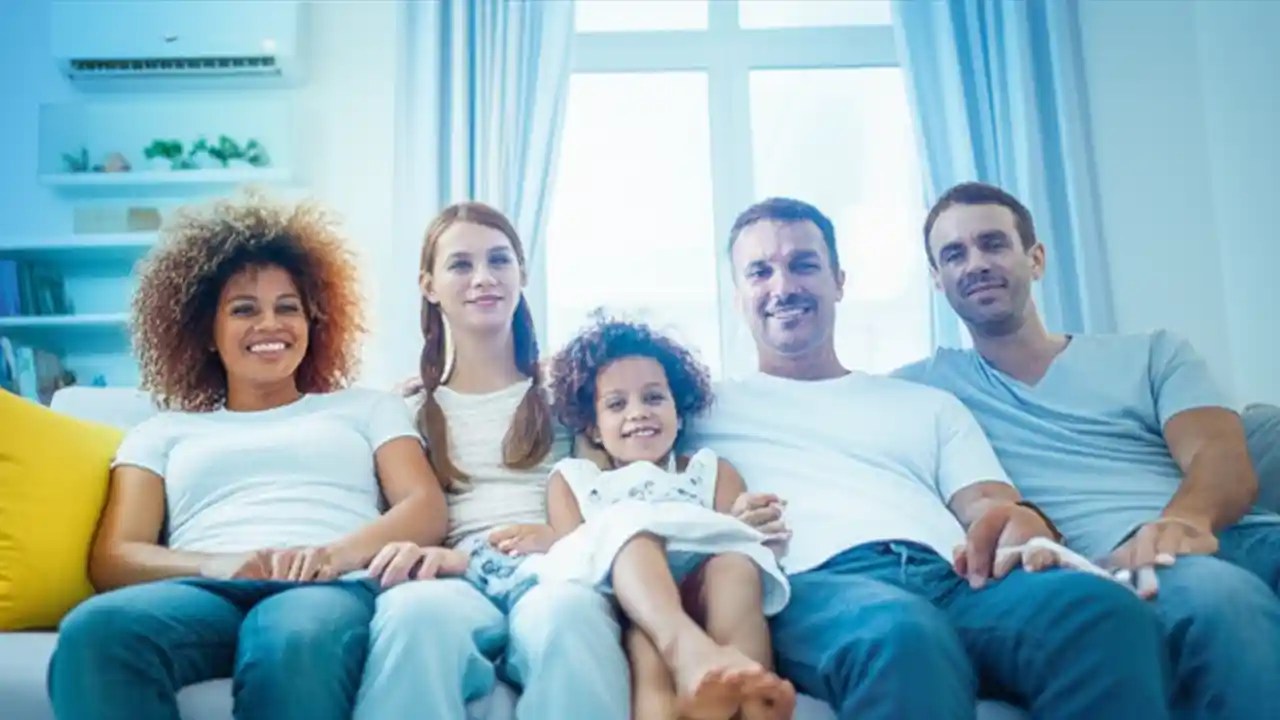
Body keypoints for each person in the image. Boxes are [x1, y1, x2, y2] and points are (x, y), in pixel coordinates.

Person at [686, 196, 1173, 720]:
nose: (783, 286)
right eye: (760, 272)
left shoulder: (926, 402)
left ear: (839, 282)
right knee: (902, 635)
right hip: (815, 584)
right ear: (739, 297)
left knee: (1100, 611)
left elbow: (990, 503)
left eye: (804, 265)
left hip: (954, 578)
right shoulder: (697, 410)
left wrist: (1019, 532)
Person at [47, 193, 447, 720]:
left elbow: (425, 506)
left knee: (291, 641)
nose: (270, 325)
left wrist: (332, 556)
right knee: (96, 631)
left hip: (325, 589)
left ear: (313, 323)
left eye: (288, 308)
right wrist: (218, 564)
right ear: (206, 332)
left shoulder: (368, 408)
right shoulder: (161, 432)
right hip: (204, 589)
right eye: (243, 310)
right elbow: (115, 555)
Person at [894, 180, 1280, 719]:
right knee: (1221, 600)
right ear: (938, 279)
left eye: (993, 244)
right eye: (954, 254)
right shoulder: (919, 392)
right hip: (1122, 567)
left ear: (1037, 258)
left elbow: (1222, 460)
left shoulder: (1152, 353)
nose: (975, 263)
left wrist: (1183, 522)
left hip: (1229, 531)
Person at [354, 202, 629, 720]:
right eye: (460, 265)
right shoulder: (405, 410)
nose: (484, 278)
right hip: (453, 575)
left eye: (499, 261)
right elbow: (395, 516)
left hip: (552, 572)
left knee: (569, 616)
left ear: (521, 275)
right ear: (429, 285)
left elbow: (606, 506)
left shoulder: (567, 395)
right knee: (413, 616)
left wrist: (560, 539)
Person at [537, 315, 794, 720]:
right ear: (594, 428)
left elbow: (742, 537)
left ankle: (748, 695)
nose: (638, 412)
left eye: (654, 398)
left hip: (705, 589)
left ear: (679, 408)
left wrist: (754, 522)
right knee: (633, 547)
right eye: (617, 404)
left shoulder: (709, 470)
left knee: (736, 568)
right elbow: (574, 557)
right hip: (635, 607)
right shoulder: (577, 479)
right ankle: (691, 659)